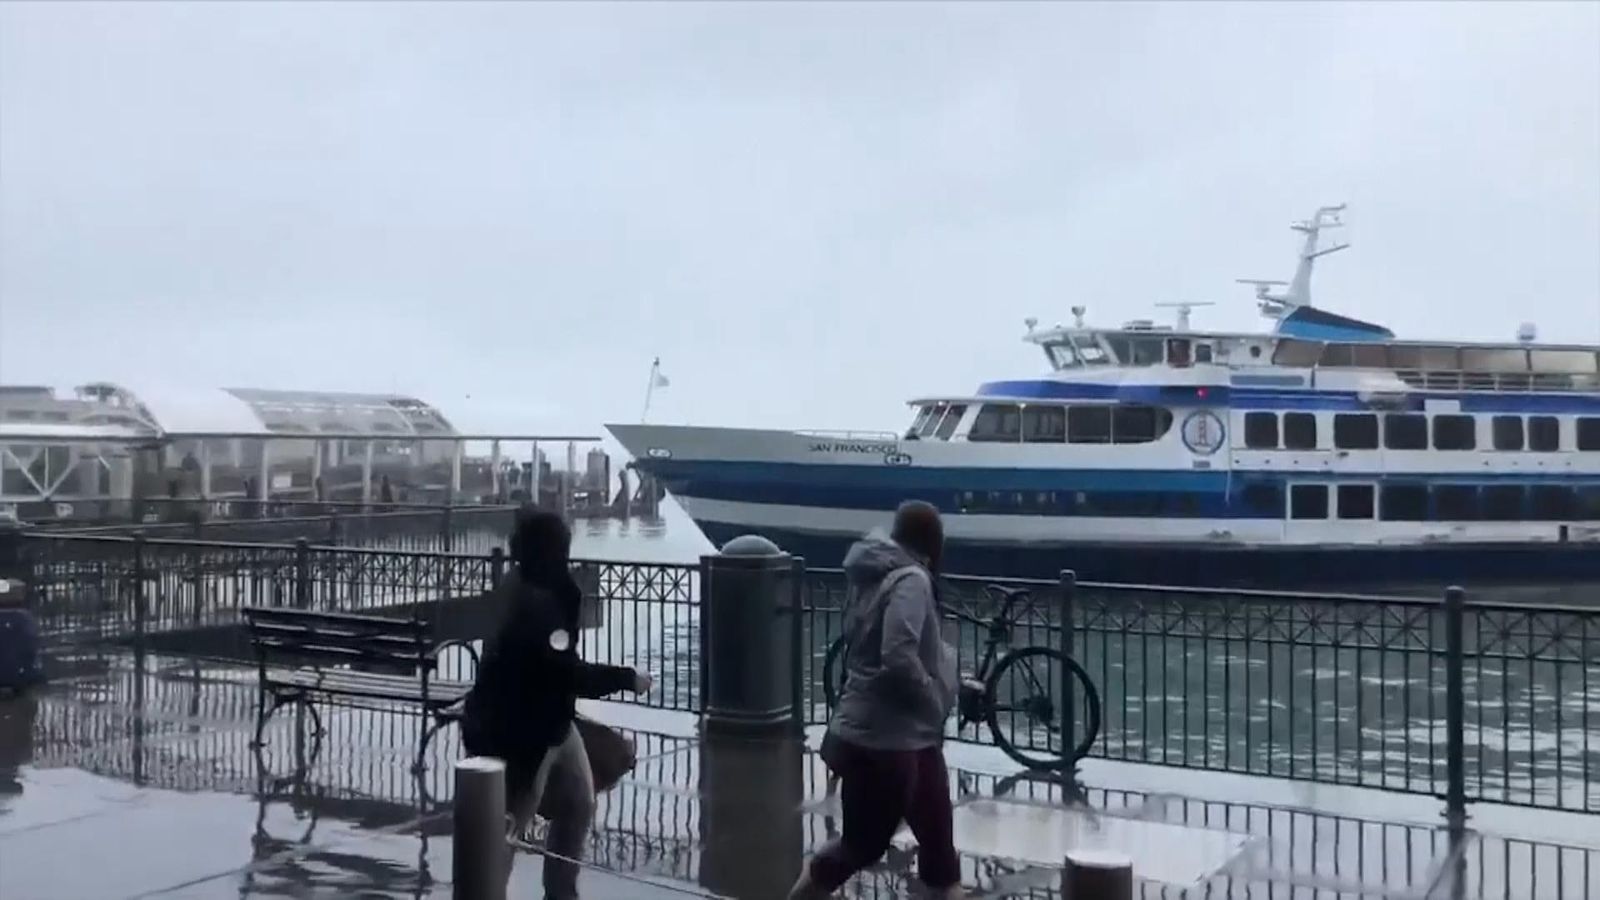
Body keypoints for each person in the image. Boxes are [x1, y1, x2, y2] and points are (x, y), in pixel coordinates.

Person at [461, 506, 652, 899]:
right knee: (515, 822)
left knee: (579, 801)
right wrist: (626, 679)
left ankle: (561, 893)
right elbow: (565, 671)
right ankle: (487, 892)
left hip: (549, 721)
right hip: (525, 731)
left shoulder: (526, 588)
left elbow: (556, 670)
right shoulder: (538, 604)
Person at [790, 501, 962, 899]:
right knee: (860, 846)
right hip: (887, 742)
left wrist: (951, 680)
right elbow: (897, 655)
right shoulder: (913, 580)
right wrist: (935, 697)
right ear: (932, 546)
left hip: (911, 739)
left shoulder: (872, 577)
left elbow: (875, 650)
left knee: (939, 852)